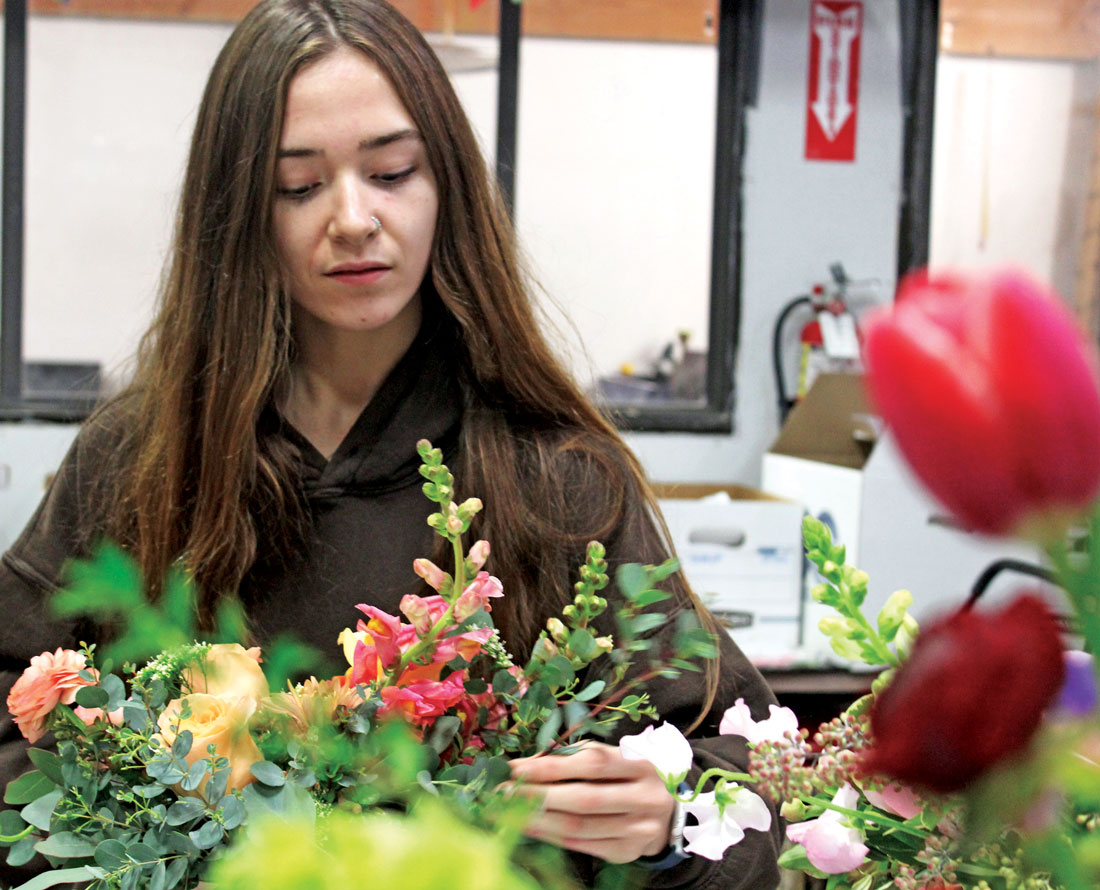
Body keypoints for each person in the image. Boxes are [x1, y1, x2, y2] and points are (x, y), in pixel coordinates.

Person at [0, 1, 784, 887]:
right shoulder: (138, 460)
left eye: (393, 171)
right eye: (298, 186)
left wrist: (665, 824)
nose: (353, 218)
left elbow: (743, 765)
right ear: (238, 215)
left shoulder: (553, 477)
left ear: (444, 184)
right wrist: (111, 817)